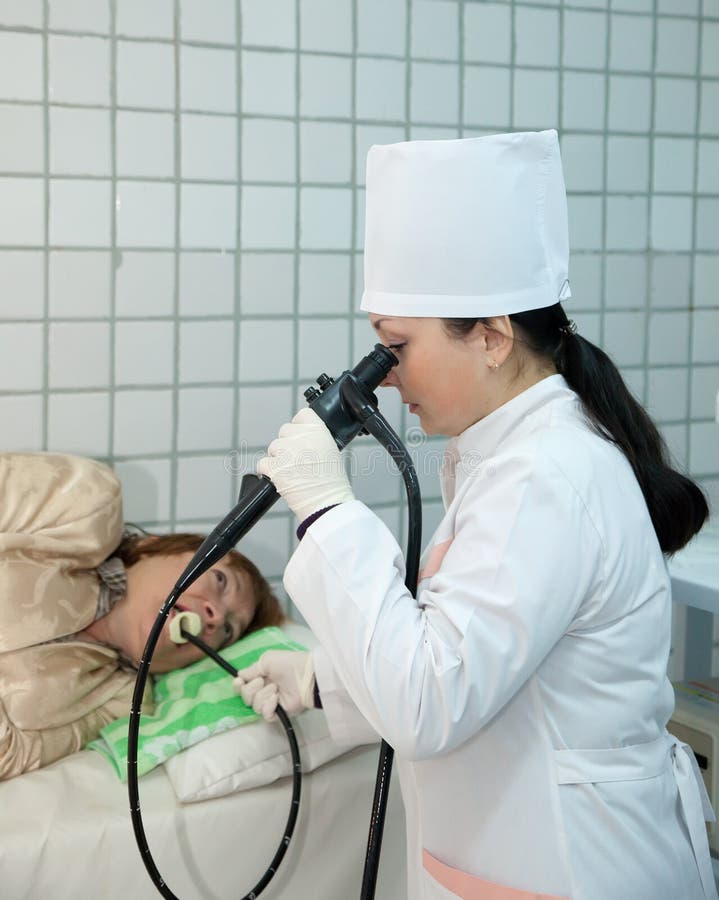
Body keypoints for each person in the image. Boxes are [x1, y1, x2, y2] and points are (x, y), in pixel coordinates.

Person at [234, 130, 716, 900]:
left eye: (397, 348)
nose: (384, 379)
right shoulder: (509, 458)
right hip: (516, 854)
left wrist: (326, 511)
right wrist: (327, 680)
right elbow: (485, 655)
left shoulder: (547, 475)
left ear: (490, 337)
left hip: (575, 868)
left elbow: (433, 700)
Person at [0, 451, 283, 780]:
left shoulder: (121, 702)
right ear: (158, 545)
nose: (215, 617)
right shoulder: (87, 507)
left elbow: (9, 754)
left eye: (227, 632)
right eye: (220, 581)